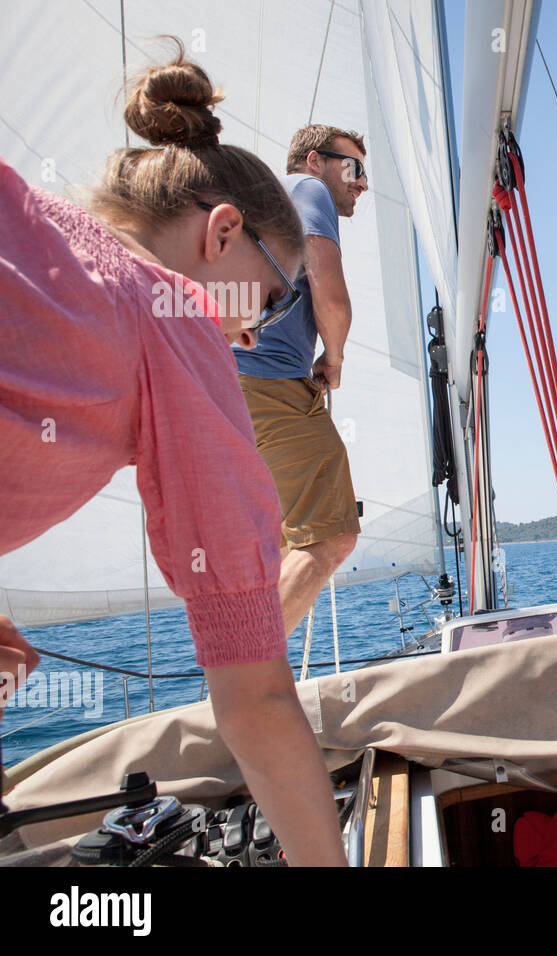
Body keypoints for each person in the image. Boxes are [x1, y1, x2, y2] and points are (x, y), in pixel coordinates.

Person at [0, 45, 346, 865]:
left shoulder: (39, 226)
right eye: (270, 298)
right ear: (223, 232)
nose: (258, 333)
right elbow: (256, 700)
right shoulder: (176, 318)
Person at [234, 125, 368, 637]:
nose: (361, 184)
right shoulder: (308, 191)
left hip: (225, 384)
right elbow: (331, 300)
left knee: (286, 544)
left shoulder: (264, 203)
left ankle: (243, 684)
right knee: (330, 538)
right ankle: (246, 676)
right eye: (352, 168)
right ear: (315, 161)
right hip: (268, 385)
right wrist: (332, 360)